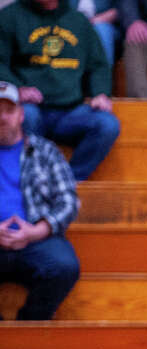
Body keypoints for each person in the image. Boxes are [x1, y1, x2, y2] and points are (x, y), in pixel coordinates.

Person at [0, 0, 119, 182]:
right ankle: (33, 181)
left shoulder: (78, 21)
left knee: (107, 125)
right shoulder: (9, 16)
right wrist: (17, 89)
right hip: (30, 109)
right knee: (23, 117)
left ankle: (68, 182)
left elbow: (98, 65)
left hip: (71, 111)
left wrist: (100, 93)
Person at [0, 81, 80, 320]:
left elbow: (69, 200)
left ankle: (29, 327)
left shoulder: (45, 151)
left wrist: (36, 231)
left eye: (9, 110)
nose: (2, 118)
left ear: (21, 115)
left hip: (37, 239)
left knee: (65, 267)